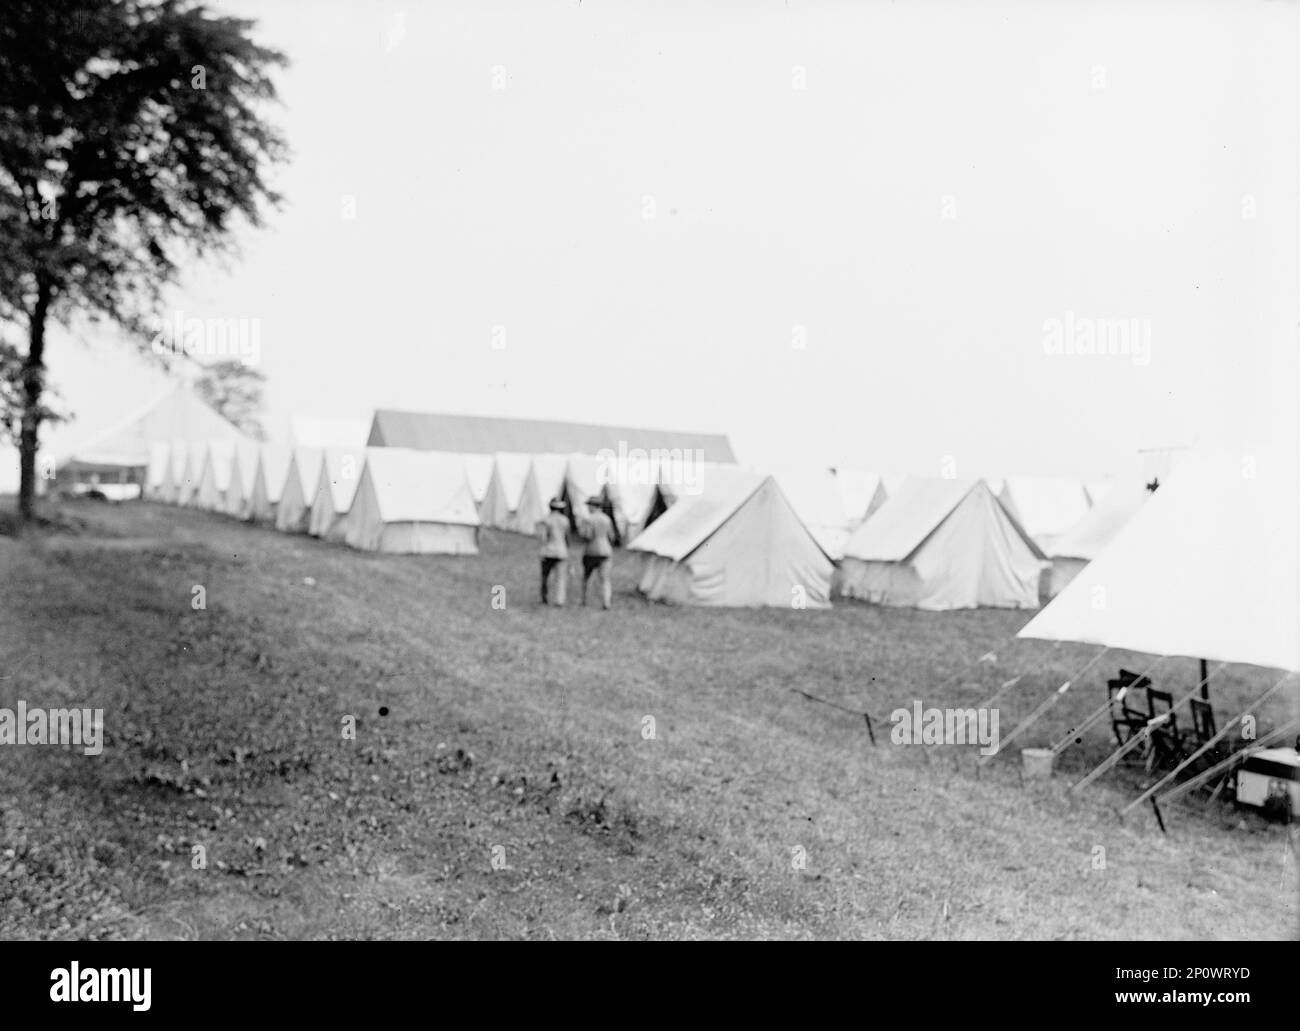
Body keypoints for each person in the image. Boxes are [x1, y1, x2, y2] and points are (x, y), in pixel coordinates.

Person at [579, 495, 616, 610]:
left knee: (586, 577)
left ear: (593, 506)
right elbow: (612, 536)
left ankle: (585, 600)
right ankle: (606, 602)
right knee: (605, 579)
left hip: (591, 551)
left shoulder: (588, 519)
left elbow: (587, 536)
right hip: (606, 551)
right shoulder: (607, 519)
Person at [537, 498, 570, 606]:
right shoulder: (565, 520)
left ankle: (544, 597)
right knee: (560, 578)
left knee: (545, 576)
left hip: (548, 551)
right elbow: (567, 537)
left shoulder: (546, 520)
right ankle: (559, 600)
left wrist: (541, 550)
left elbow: (543, 538)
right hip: (561, 551)